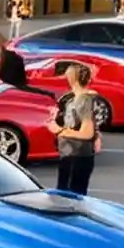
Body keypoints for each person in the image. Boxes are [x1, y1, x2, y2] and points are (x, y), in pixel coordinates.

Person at [48, 63, 99, 195]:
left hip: (76, 156)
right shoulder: (73, 99)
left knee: (70, 196)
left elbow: (87, 133)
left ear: (71, 79)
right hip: (69, 154)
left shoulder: (83, 101)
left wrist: (59, 130)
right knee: (65, 194)